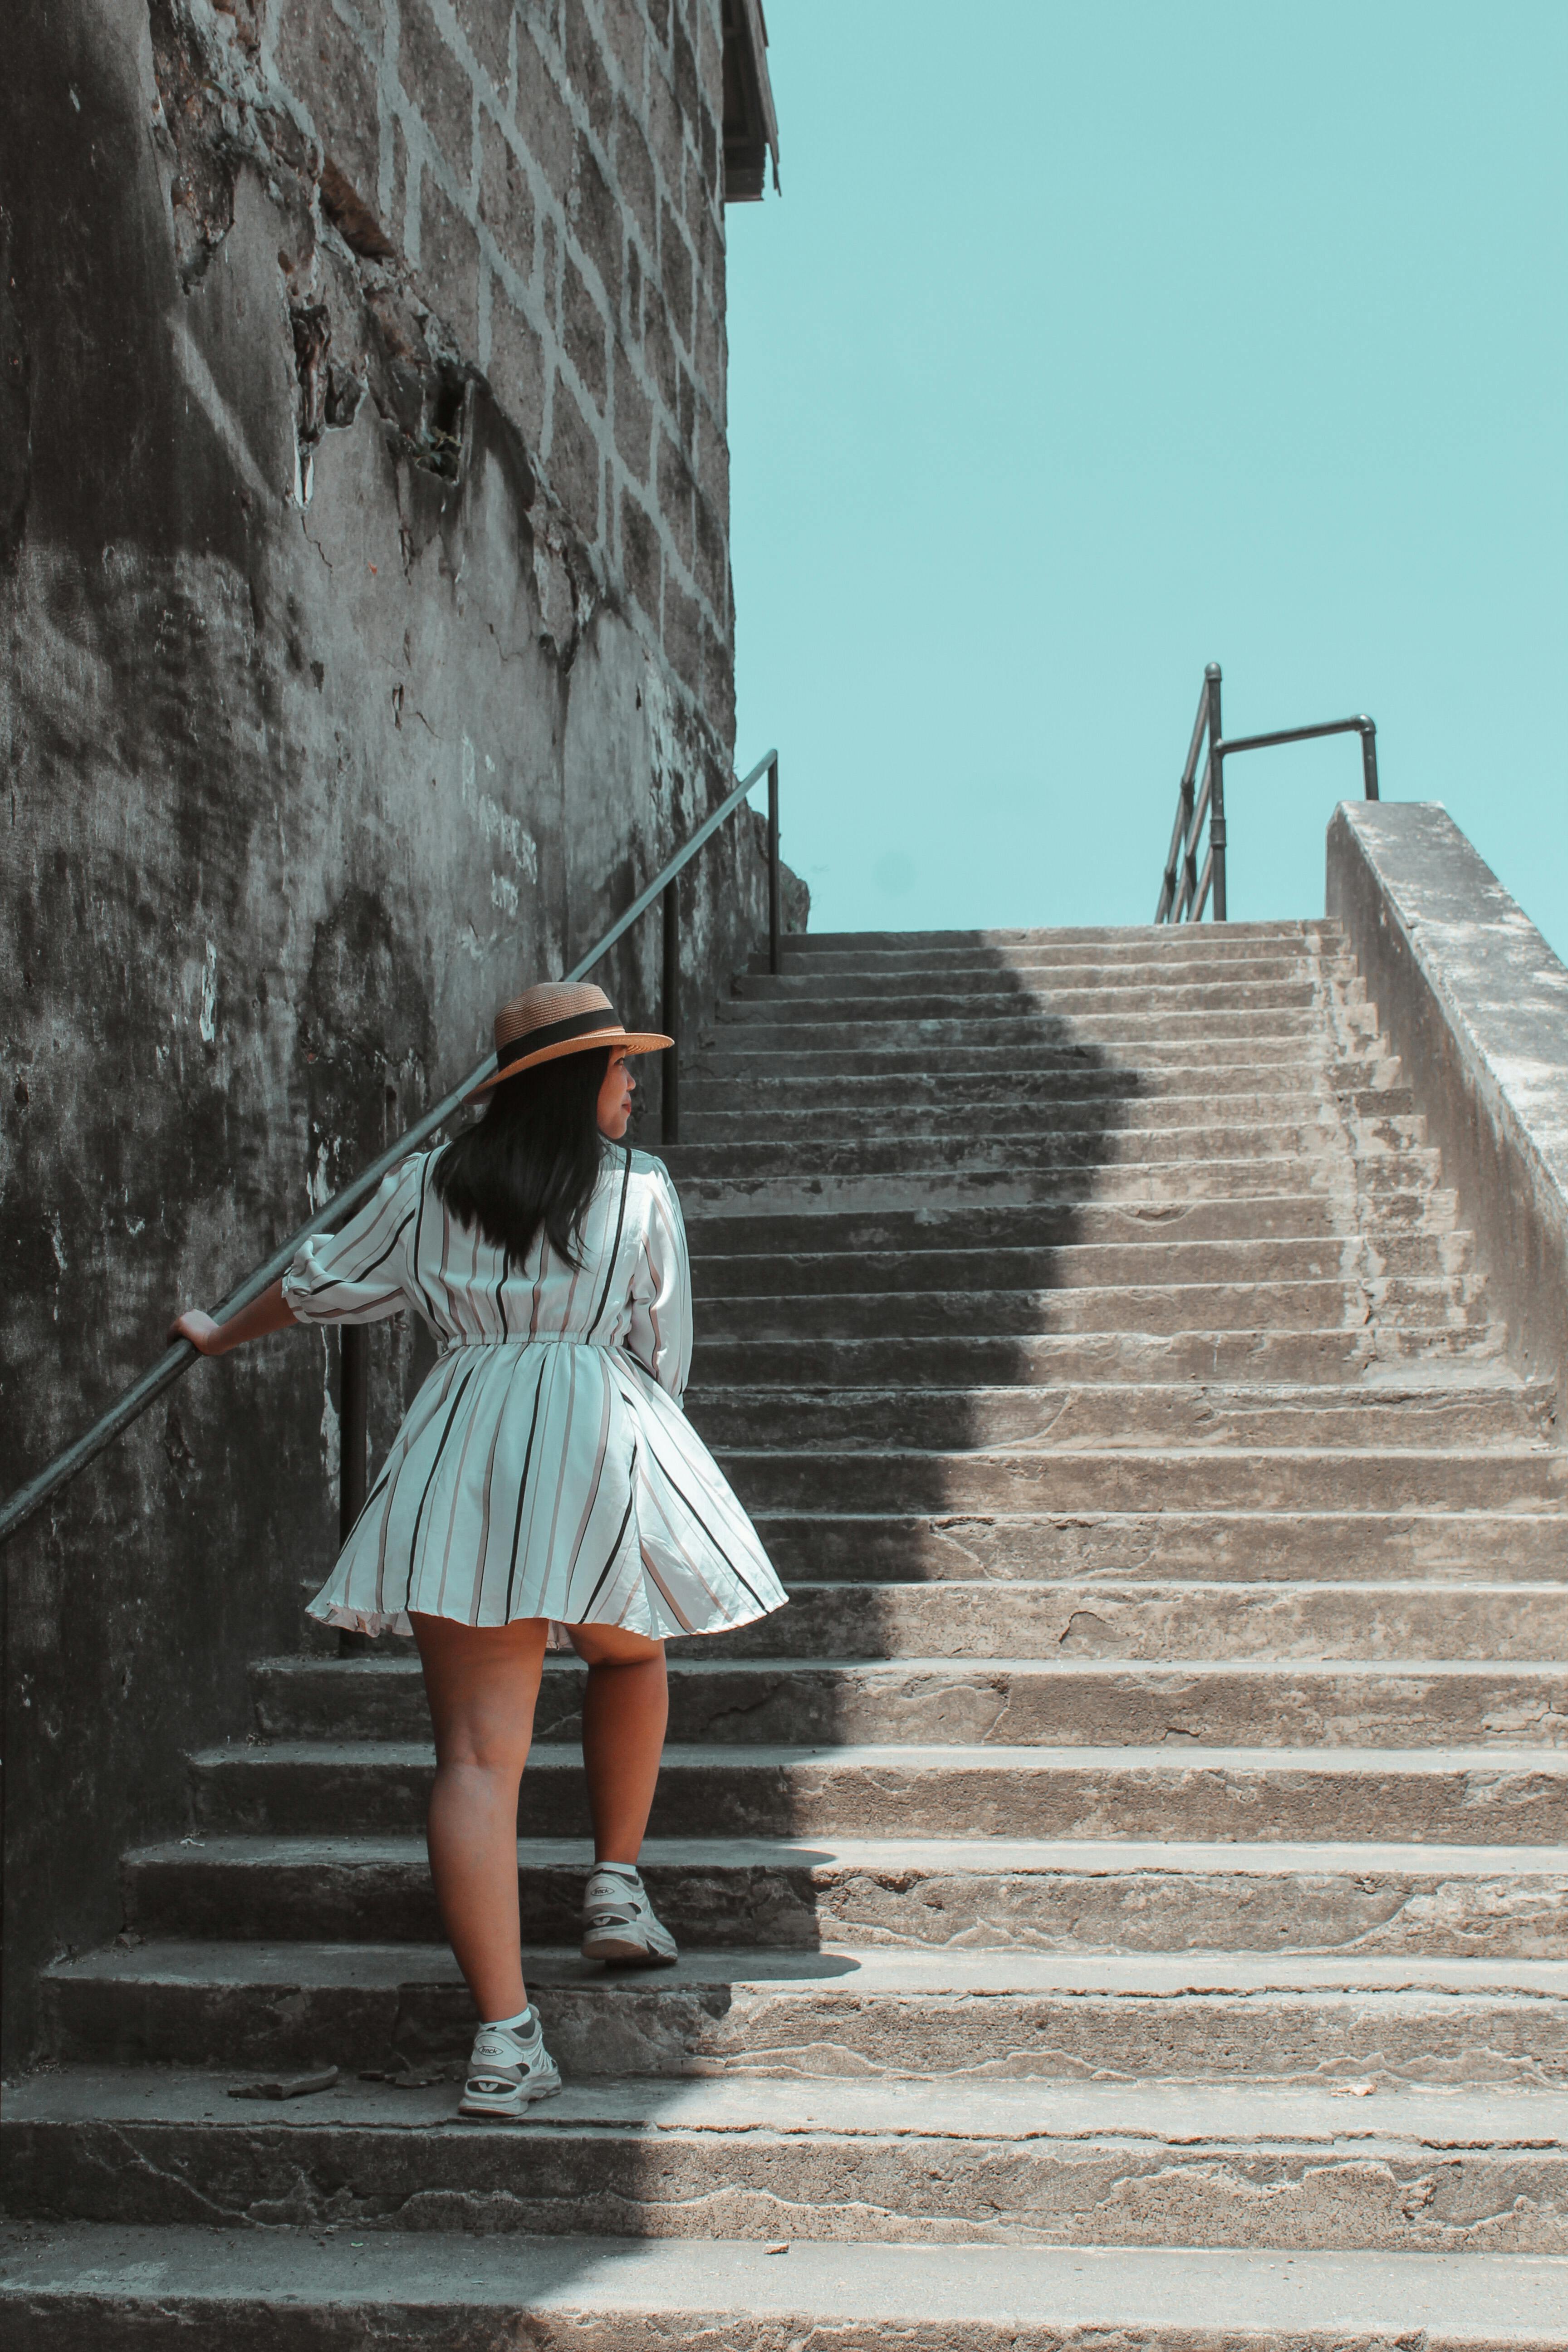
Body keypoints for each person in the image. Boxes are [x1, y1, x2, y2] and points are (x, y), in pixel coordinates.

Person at [171, 980, 787, 2121]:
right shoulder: (642, 1189)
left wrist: (215, 1335)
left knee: (472, 1757)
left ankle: (505, 2042)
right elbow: (665, 1347)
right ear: (576, 1082)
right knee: (631, 1654)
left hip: (465, 1449)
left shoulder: (429, 1187)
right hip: (601, 1438)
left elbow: (315, 1287)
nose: (634, 1083)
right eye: (619, 1067)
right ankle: (613, 1883)